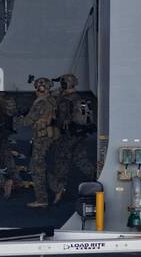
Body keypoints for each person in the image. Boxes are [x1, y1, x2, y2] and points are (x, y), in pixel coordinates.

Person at [49, 73, 96, 204]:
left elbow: (61, 119)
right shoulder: (78, 97)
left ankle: (59, 189)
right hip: (80, 134)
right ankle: (97, 175)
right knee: (80, 158)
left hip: (68, 134)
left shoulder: (66, 100)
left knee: (61, 161)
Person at [20, 77, 59, 208]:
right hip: (49, 136)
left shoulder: (40, 103)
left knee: (37, 168)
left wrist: (17, 118)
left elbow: (27, 121)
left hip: (41, 138)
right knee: (38, 165)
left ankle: (42, 199)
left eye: (37, 87)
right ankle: (57, 187)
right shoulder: (51, 100)